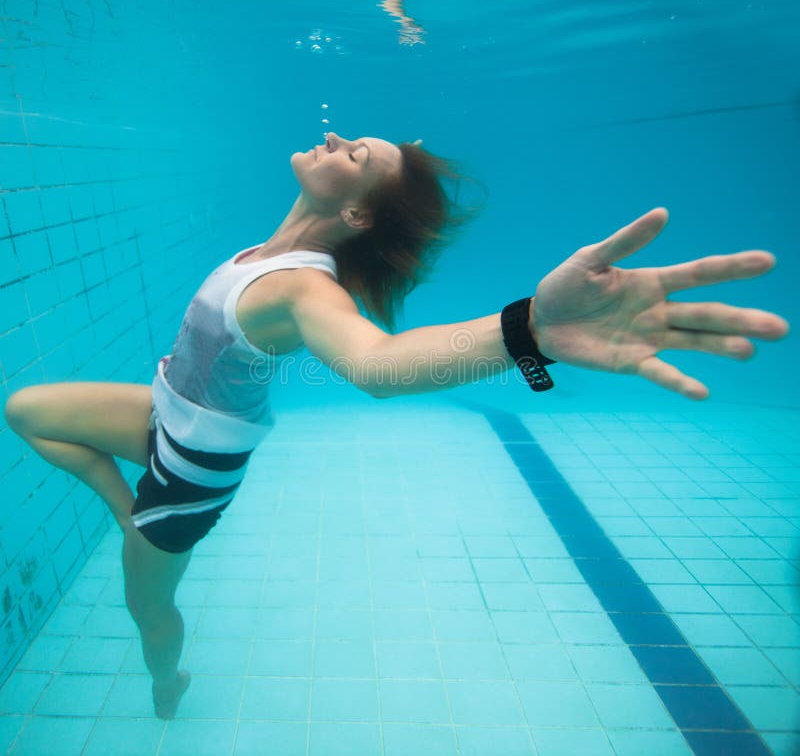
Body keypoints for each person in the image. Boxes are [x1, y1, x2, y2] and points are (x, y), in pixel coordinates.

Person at [3, 132, 789, 719]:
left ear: (354, 209)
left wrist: (531, 332)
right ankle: (122, 514)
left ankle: (163, 677)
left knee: (146, 609)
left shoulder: (302, 293)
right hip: (161, 413)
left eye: (358, 156)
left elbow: (379, 365)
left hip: (187, 475)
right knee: (25, 411)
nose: (339, 141)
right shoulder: (266, 250)